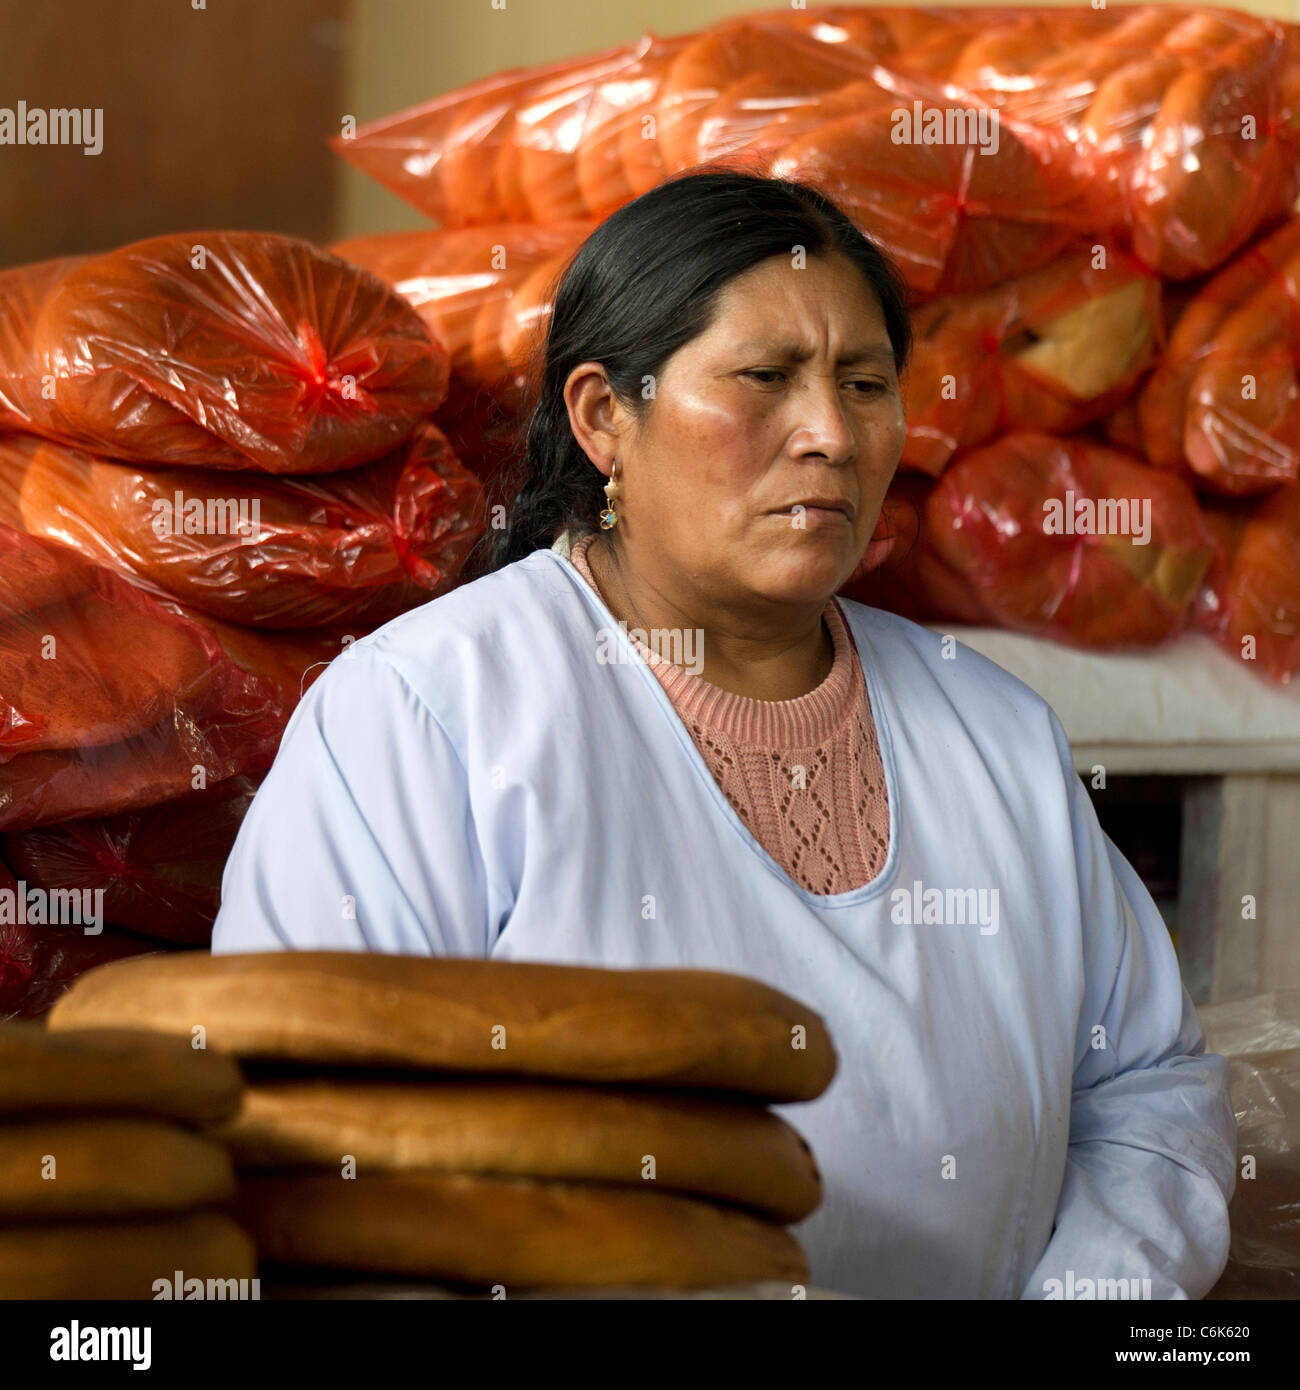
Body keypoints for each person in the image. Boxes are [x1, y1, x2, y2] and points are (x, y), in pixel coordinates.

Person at [211, 169, 1235, 1300]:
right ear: (604, 415)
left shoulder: (993, 732)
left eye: (864, 382)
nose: (830, 435)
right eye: (766, 378)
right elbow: (316, 1137)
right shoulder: (421, 712)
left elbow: (1146, 1087)